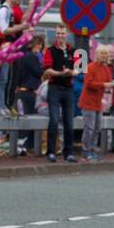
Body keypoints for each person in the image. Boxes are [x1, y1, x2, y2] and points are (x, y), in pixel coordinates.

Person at [43, 25, 76, 162]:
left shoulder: (74, 51)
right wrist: (61, 73)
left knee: (69, 123)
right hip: (54, 87)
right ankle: (50, 151)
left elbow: (80, 70)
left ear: (66, 34)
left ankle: (68, 153)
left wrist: (71, 72)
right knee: (54, 120)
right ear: (55, 34)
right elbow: (47, 70)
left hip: (68, 88)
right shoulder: (49, 50)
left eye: (62, 33)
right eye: (58, 33)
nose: (60, 36)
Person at [79, 46, 113, 162]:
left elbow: (109, 83)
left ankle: (92, 150)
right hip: (88, 101)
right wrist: (104, 85)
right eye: (102, 53)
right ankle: (85, 152)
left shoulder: (107, 69)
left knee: (97, 127)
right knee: (89, 127)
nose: (105, 55)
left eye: (106, 53)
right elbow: (89, 84)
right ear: (97, 55)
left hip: (98, 102)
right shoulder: (91, 67)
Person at [13, 34, 45, 156]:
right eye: (37, 44)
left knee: (28, 118)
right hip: (28, 91)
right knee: (26, 119)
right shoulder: (31, 57)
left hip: (26, 91)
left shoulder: (25, 56)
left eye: (41, 45)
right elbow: (38, 72)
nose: (39, 47)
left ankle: (26, 146)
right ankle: (22, 146)